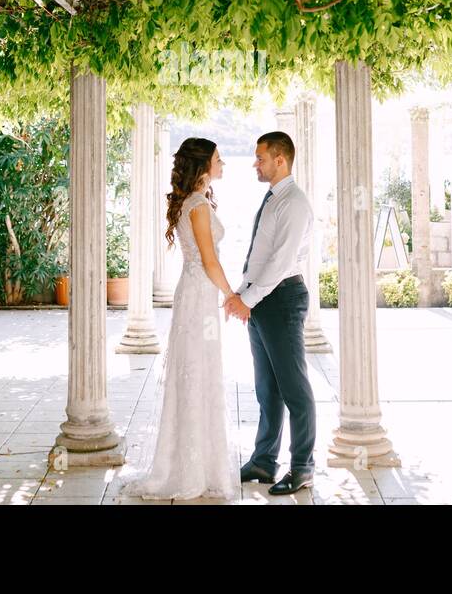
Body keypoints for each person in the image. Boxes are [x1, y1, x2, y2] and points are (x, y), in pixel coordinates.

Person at [117, 137, 238, 500]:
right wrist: (232, 296)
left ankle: (199, 463)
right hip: (200, 293)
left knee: (198, 372)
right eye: (218, 159)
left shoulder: (194, 202)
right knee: (198, 371)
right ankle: (192, 468)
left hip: (195, 292)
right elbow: (210, 260)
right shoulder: (197, 206)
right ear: (203, 165)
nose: (223, 164)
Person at [223, 131, 317, 496]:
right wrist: (245, 295)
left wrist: (249, 299)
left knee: (295, 389)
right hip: (264, 300)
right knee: (268, 389)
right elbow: (261, 257)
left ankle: (303, 467)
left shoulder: (294, 202)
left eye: (260, 158)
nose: (255, 164)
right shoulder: (274, 197)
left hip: (282, 298)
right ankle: (264, 460)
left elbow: (279, 263)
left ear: (281, 160)